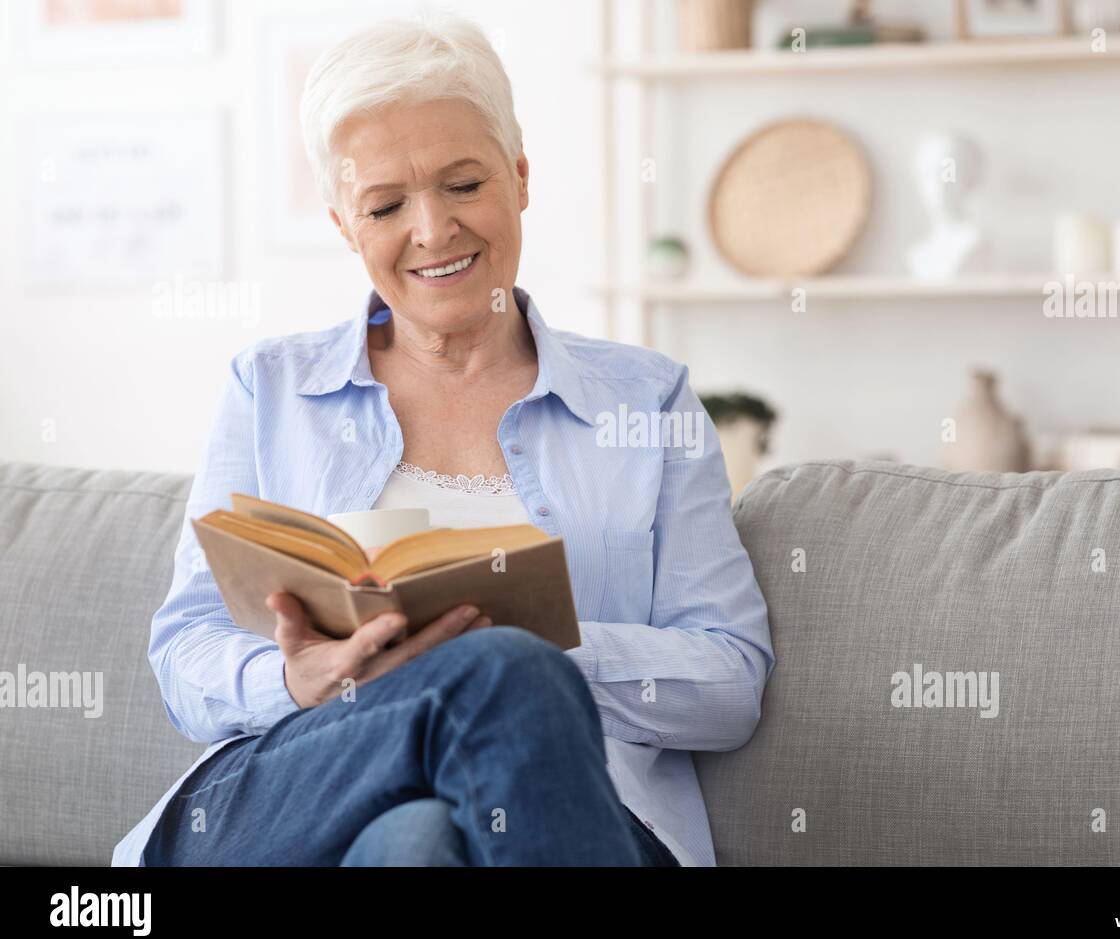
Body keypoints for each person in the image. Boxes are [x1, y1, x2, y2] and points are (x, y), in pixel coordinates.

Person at [111, 10, 773, 868]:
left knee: (421, 836)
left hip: (560, 808)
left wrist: (539, 650)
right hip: (300, 792)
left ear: (521, 176)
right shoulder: (269, 388)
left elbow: (729, 683)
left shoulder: (648, 401)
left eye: (464, 185)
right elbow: (186, 649)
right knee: (489, 689)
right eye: (386, 205)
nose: (433, 230)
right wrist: (296, 679)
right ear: (347, 225)